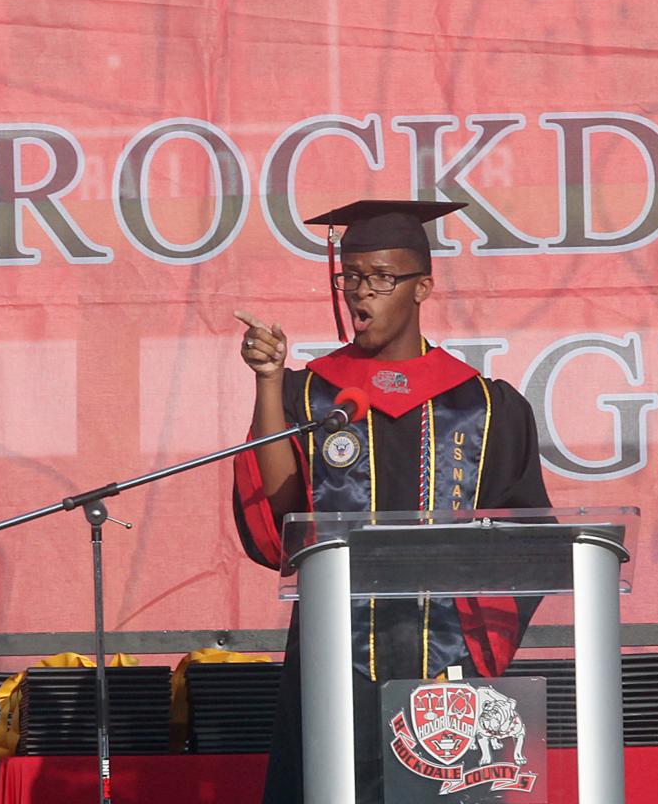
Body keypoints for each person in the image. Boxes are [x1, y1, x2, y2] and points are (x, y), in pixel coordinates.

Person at [231, 199, 552, 804]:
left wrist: (479, 643)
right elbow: (277, 517)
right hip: (334, 655)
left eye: (380, 278)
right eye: (351, 277)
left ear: (421, 287)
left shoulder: (485, 405)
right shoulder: (310, 393)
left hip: (449, 660)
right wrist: (269, 381)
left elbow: (526, 541)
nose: (361, 292)